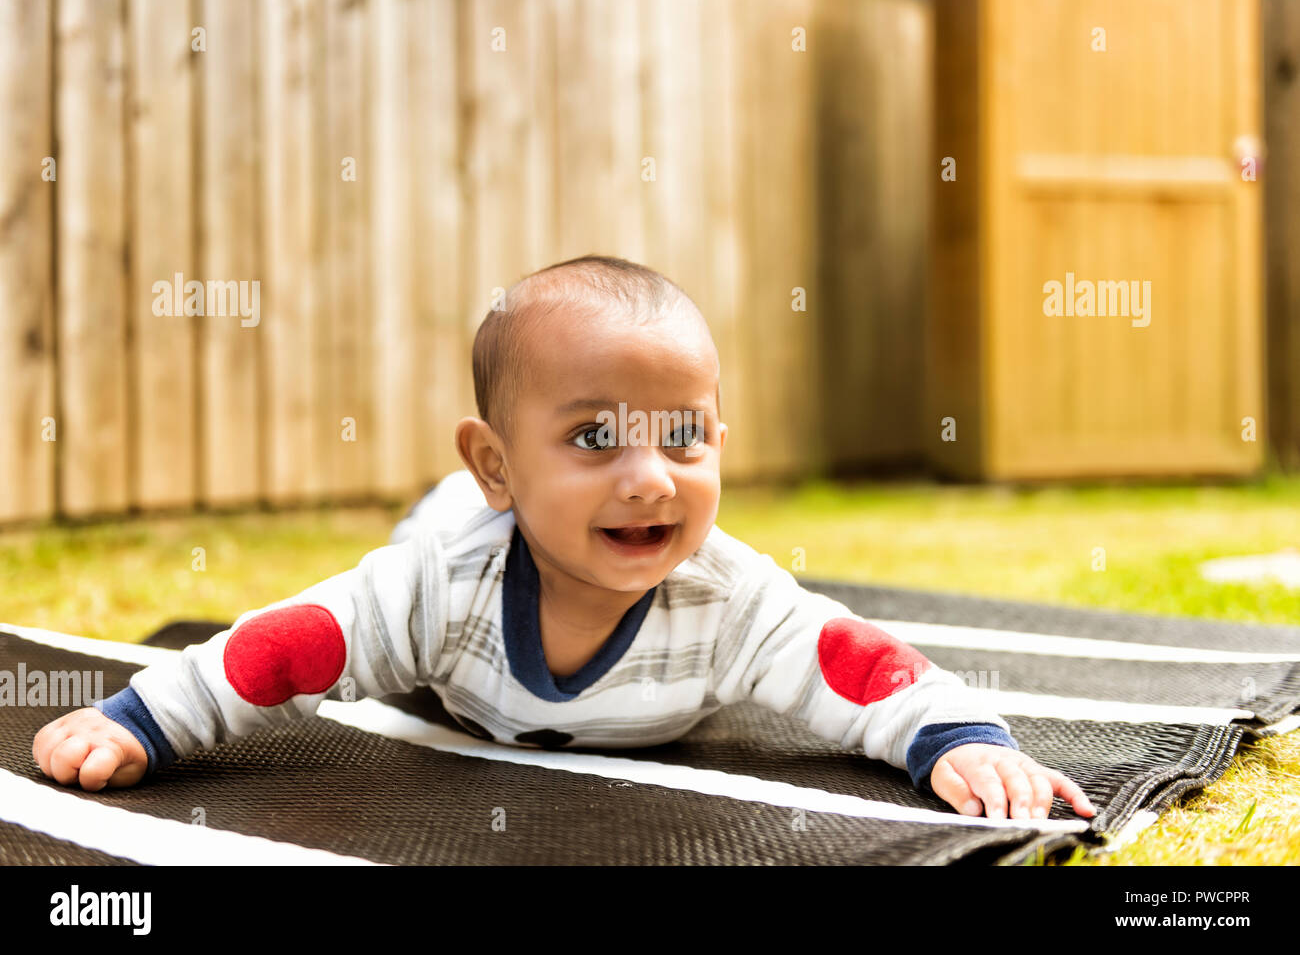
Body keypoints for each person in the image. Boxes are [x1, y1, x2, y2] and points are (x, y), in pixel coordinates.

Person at [33, 254, 1095, 823]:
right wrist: (142, 721)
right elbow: (287, 646)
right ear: (496, 458)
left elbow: (864, 671)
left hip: (509, 524)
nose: (648, 477)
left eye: (683, 437)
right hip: (462, 546)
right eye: (595, 437)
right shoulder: (434, 589)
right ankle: (455, 495)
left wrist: (964, 743)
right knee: (423, 540)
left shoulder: (732, 601)